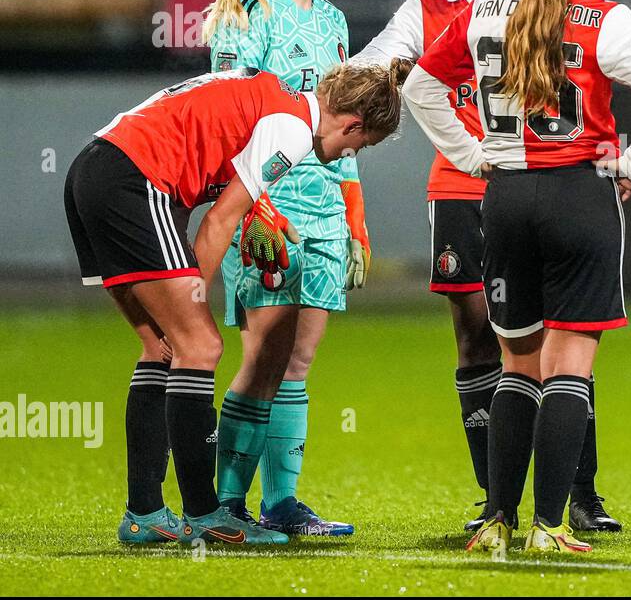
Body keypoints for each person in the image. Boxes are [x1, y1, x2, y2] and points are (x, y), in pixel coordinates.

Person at [404, 0, 631, 554]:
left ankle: (498, 518)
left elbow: (420, 87)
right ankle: (550, 525)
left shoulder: (481, 11)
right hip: (579, 196)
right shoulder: (602, 17)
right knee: (569, 369)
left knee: (516, 366)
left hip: (504, 201)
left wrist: (474, 157)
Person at [356, 0, 618, 532]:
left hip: (533, 181)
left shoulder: (546, 1)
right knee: (480, 335)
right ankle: (495, 497)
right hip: (463, 186)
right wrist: (400, 74)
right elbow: (373, 67)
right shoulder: (427, 10)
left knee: (559, 340)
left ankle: (578, 493)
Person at [64, 61, 411, 545]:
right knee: (199, 346)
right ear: (353, 124)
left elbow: (201, 146)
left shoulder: (271, 94)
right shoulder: (291, 128)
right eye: (361, 145)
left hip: (95, 170)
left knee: (160, 348)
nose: (350, 154)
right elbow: (218, 223)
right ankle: (207, 516)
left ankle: (144, 513)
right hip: (133, 180)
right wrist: (194, 307)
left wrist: (260, 213)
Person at [203, 0, 364, 536]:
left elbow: (344, 127)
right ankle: (228, 506)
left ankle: (281, 504)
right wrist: (256, 206)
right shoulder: (248, 16)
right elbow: (223, 121)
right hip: (263, 209)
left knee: (299, 360)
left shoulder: (333, 23)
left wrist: (353, 210)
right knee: (262, 356)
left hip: (324, 211)